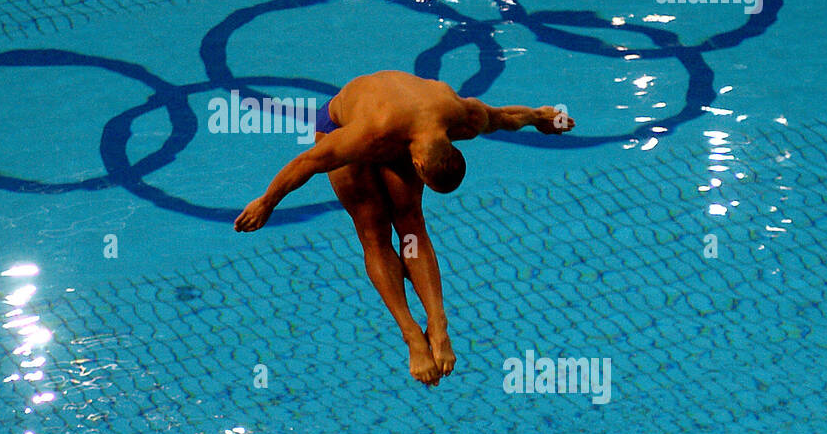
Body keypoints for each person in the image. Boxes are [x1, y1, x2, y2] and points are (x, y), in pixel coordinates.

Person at [234, 70, 575, 386]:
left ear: (452, 142)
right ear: (418, 164)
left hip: (403, 130)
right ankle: (412, 334)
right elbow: (306, 163)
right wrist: (266, 202)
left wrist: (540, 117)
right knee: (374, 231)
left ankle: (438, 326)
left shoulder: (461, 116)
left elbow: (504, 116)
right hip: (346, 124)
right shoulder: (364, 137)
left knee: (411, 224)